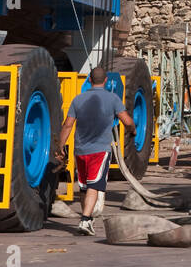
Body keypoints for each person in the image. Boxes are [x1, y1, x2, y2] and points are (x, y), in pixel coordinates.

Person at [57, 66, 134, 236]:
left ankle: (88, 218)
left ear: (89, 80)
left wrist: (60, 146)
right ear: (106, 81)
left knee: (84, 186)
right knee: (94, 185)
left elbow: (68, 125)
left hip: (80, 150)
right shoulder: (113, 99)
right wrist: (133, 130)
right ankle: (85, 219)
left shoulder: (78, 99)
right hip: (100, 150)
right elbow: (127, 121)